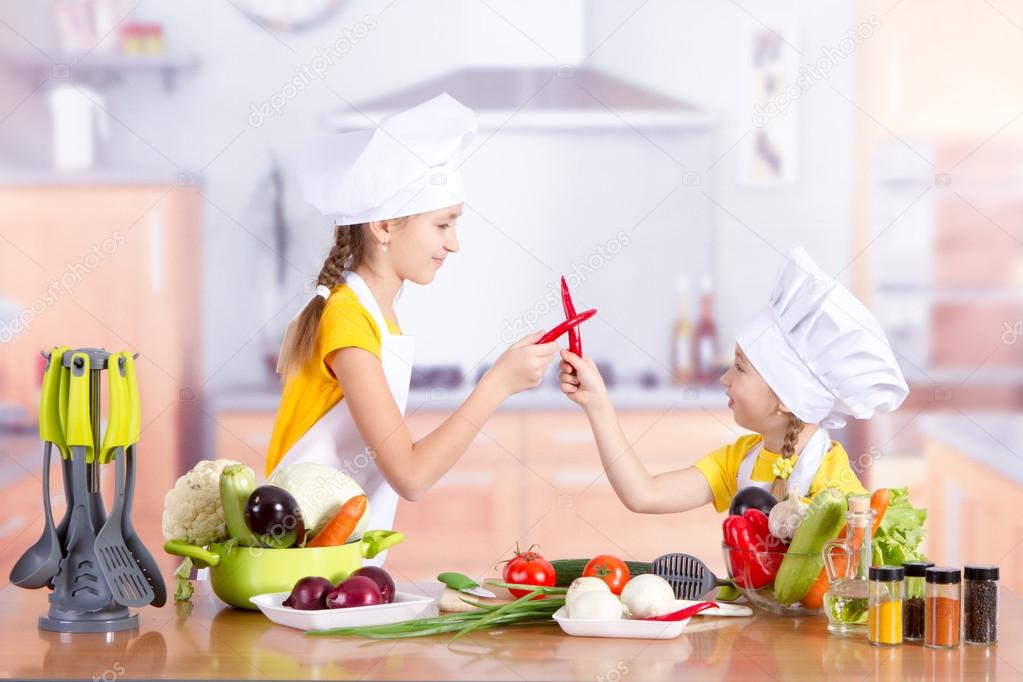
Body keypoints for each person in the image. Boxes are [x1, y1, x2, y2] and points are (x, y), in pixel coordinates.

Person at [265, 94, 558, 563]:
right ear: (384, 226)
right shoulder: (347, 319)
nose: (454, 243)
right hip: (297, 565)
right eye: (443, 225)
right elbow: (410, 475)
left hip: (327, 562)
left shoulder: (370, 313)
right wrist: (497, 385)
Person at [557, 247, 908, 513]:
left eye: (739, 367)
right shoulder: (740, 460)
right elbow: (644, 495)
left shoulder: (834, 480)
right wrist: (597, 403)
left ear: (787, 396)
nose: (724, 379)